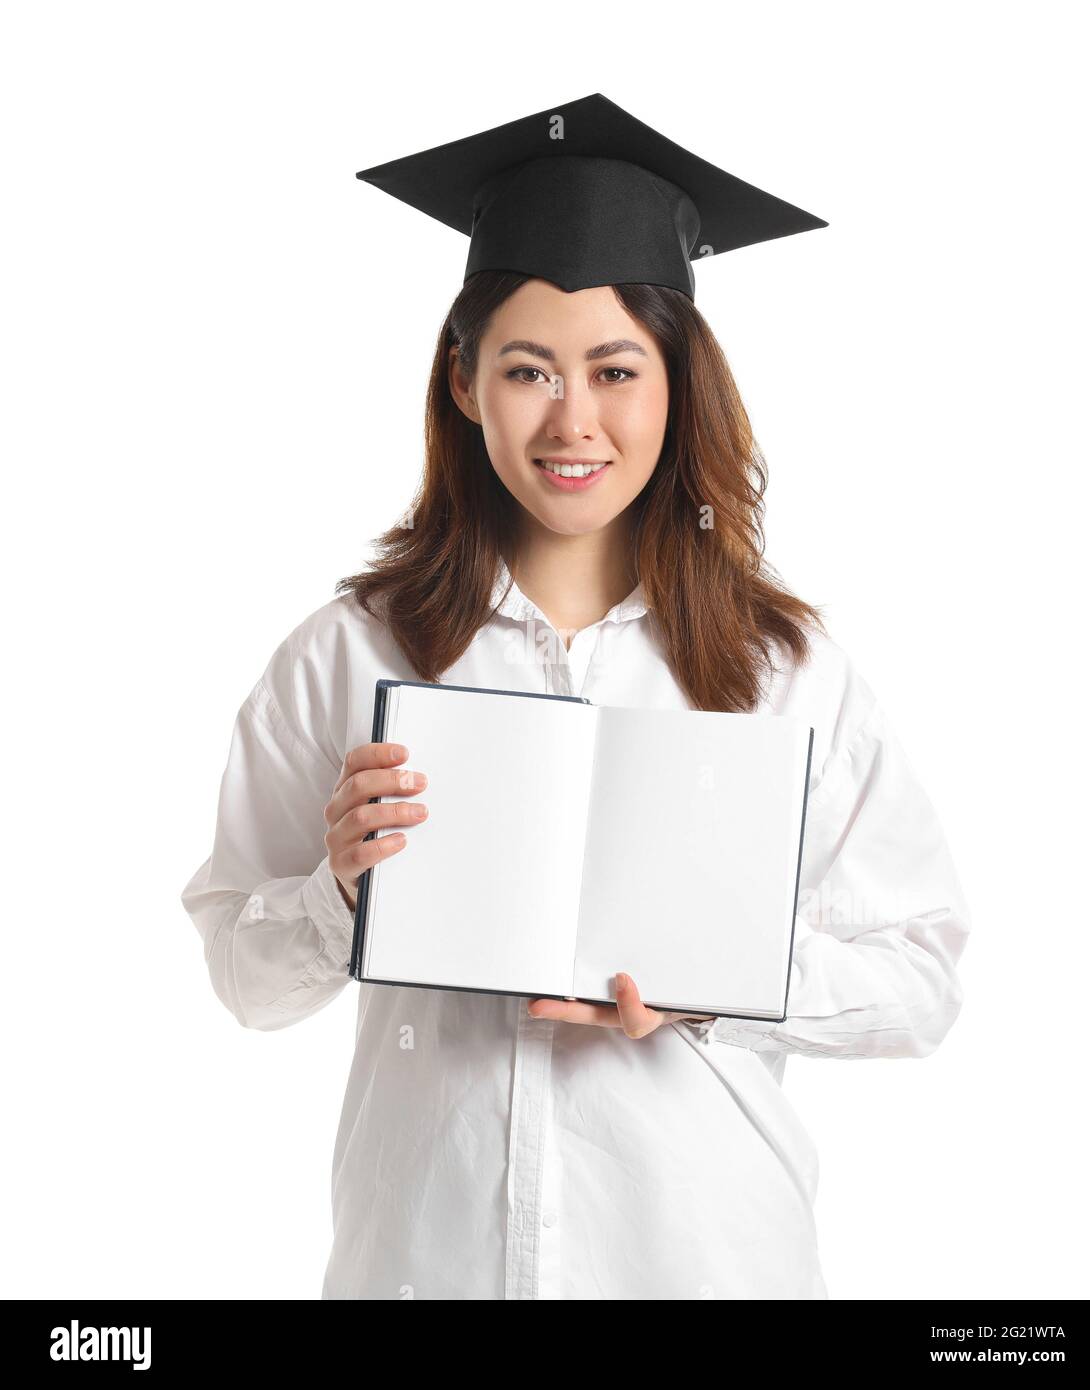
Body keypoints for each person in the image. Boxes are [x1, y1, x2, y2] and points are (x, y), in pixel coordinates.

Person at [180, 94, 971, 1300]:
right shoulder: (350, 654)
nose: (572, 422)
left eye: (614, 370)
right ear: (463, 382)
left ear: (674, 383)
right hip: (424, 1268)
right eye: (526, 370)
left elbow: (920, 982)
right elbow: (241, 978)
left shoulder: (781, 671)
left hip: (701, 1266)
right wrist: (340, 887)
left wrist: (720, 978)